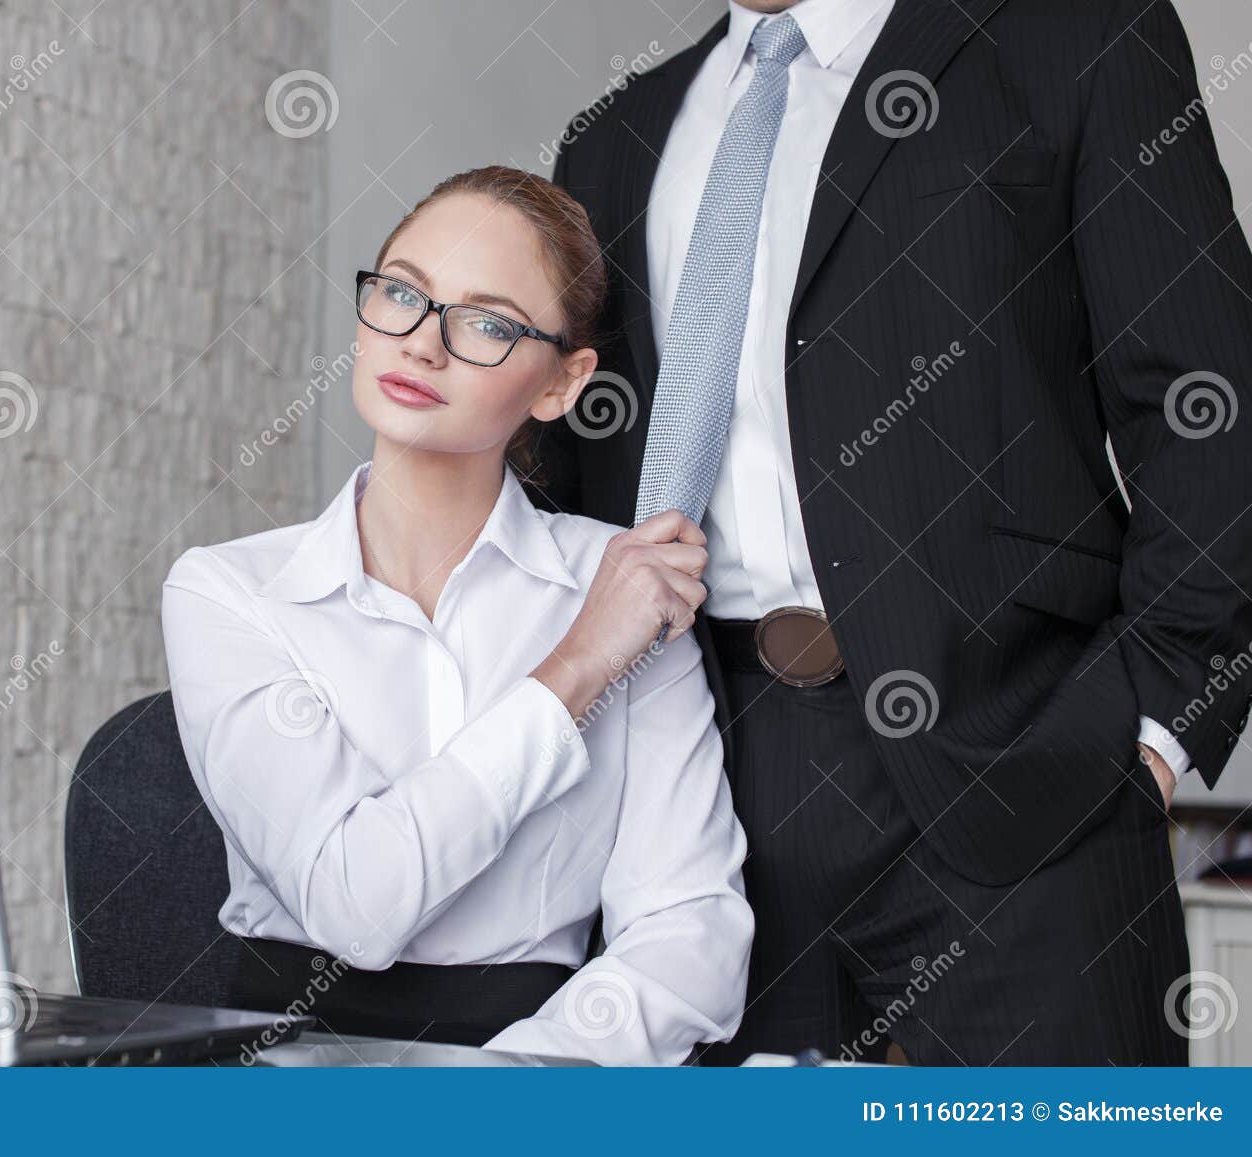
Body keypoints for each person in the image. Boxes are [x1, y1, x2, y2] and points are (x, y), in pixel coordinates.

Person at [536, 0, 1252, 1064]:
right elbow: (575, 476)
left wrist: (1154, 728)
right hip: (698, 790)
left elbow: (1206, 401)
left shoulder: (1074, 39)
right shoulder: (612, 137)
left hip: (1022, 758)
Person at [160, 166, 753, 1066]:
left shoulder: (630, 585)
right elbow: (357, 907)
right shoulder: (228, 591)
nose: (422, 344)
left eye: (486, 322)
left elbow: (689, 935)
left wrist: (506, 1089)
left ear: (562, 382)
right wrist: (578, 664)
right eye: (402, 293)